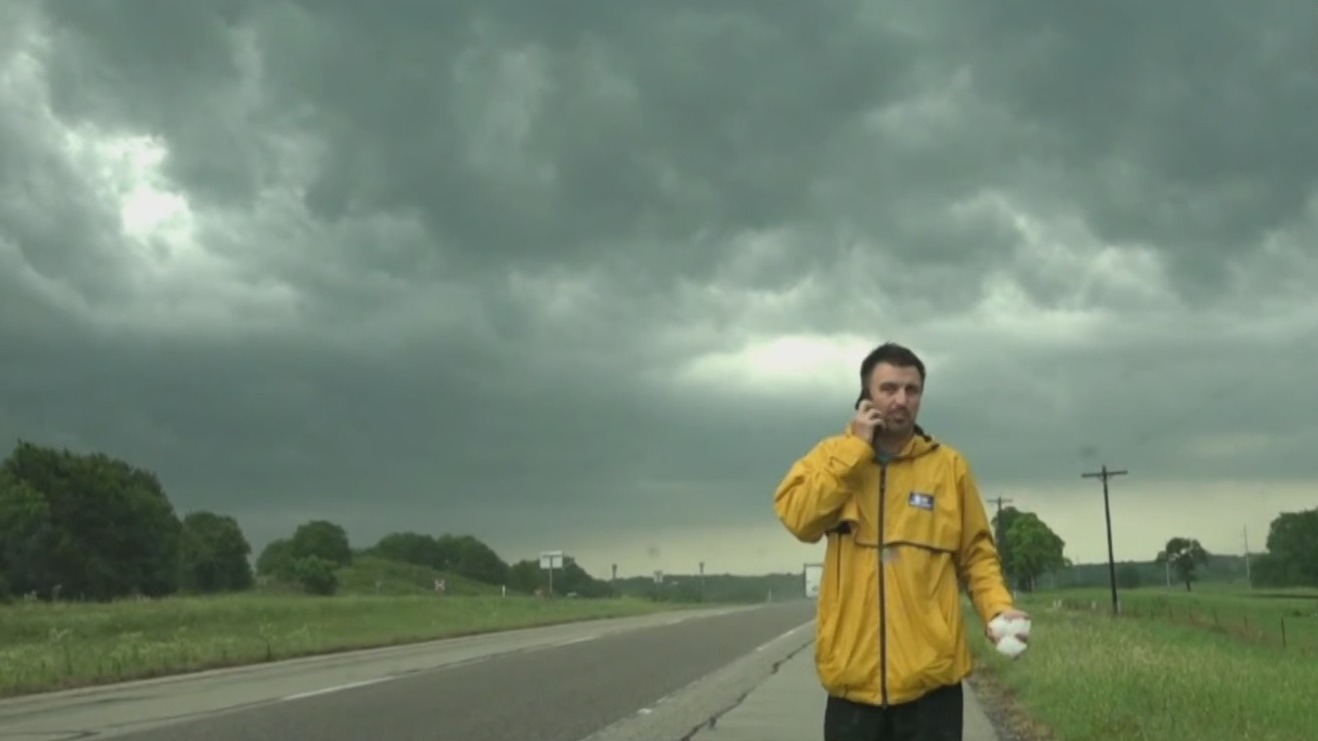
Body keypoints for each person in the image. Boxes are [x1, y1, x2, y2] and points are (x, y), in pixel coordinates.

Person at [773, 342, 1029, 741]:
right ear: (866, 397)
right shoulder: (831, 458)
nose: (901, 400)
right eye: (889, 388)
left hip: (931, 688)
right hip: (852, 686)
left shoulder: (949, 467)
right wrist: (855, 451)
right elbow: (799, 519)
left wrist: (997, 608)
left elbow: (977, 555)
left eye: (912, 390)